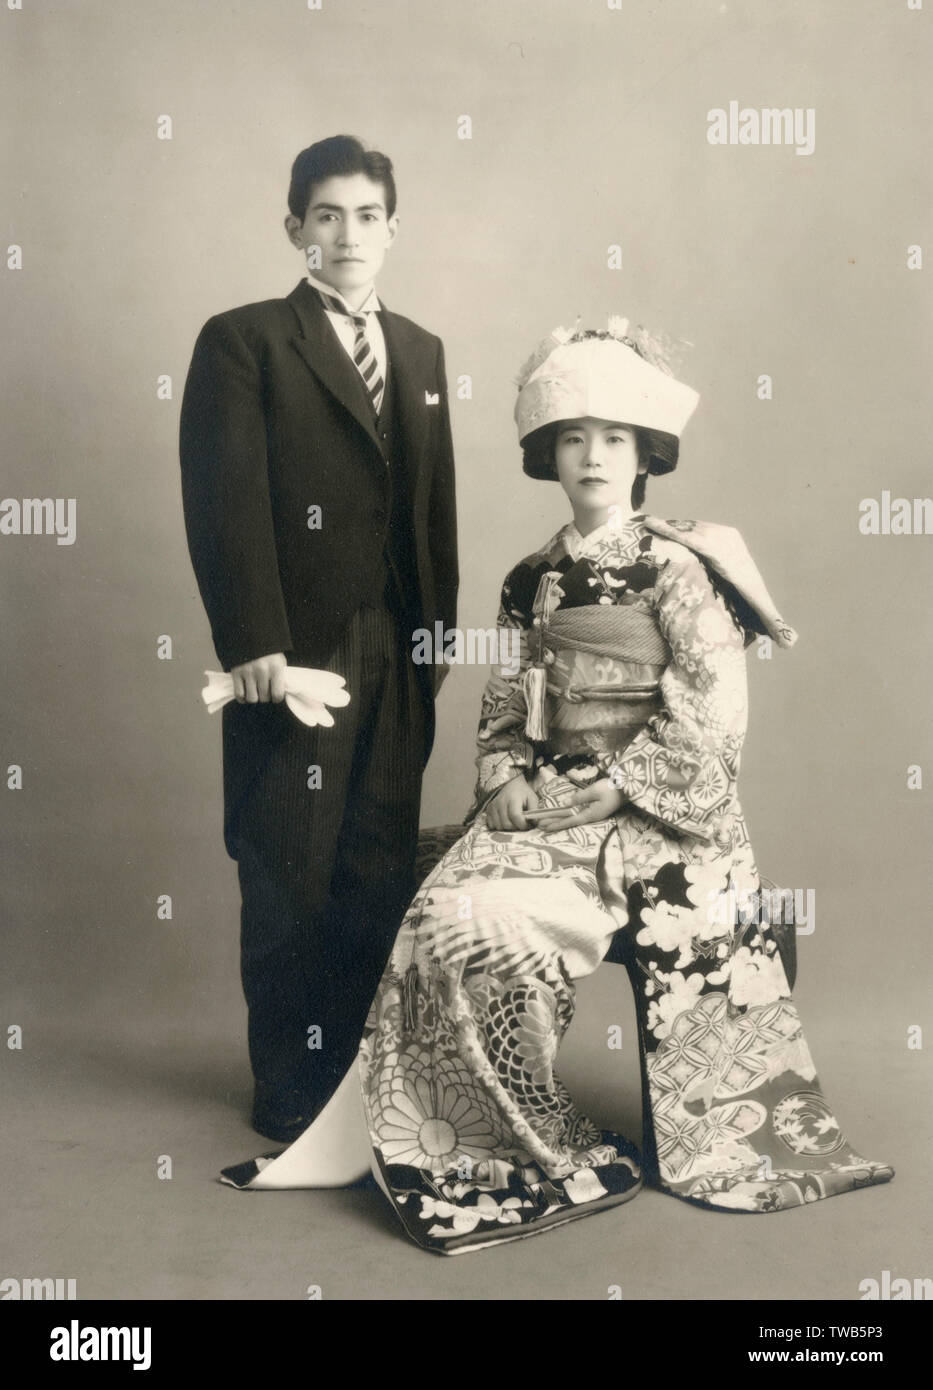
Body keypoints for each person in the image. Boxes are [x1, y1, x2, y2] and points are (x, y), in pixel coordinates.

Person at [222, 317, 893, 1256]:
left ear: (645, 452)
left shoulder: (681, 568)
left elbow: (710, 711)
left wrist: (619, 790)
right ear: (548, 452)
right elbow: (504, 706)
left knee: (496, 919)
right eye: (572, 437)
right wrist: (501, 781)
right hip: (547, 797)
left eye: (613, 438)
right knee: (449, 911)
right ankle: (488, 1136)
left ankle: (521, 1134)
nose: (592, 457)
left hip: (659, 817)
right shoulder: (530, 578)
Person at [180, 135, 457, 1143]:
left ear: (394, 228)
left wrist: (432, 651)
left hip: (397, 645)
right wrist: (252, 639)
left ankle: (354, 1073)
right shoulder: (246, 341)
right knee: (289, 859)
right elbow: (226, 502)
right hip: (295, 652)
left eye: (368, 215)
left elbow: (434, 517)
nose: (348, 234)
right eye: (326, 215)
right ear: (294, 228)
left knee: (376, 862)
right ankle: (290, 1088)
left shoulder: (421, 350)